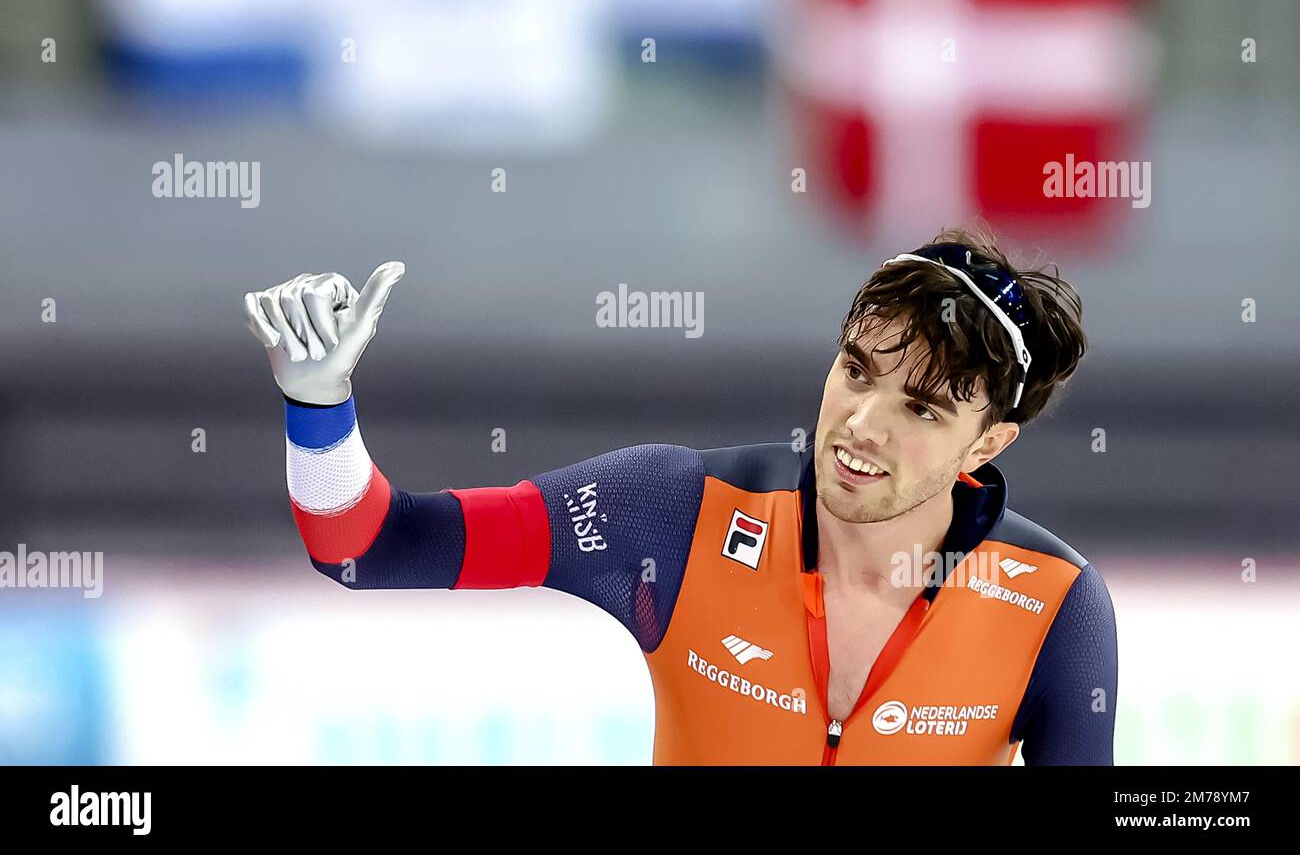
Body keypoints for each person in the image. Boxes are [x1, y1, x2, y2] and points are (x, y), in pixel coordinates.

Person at [242, 225, 1117, 765]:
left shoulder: (1053, 607)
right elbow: (374, 547)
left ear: (990, 442)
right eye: (855, 369)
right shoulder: (673, 512)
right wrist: (319, 407)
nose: (860, 424)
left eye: (920, 408)